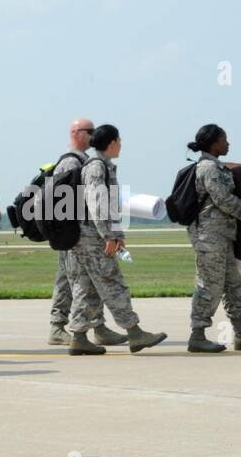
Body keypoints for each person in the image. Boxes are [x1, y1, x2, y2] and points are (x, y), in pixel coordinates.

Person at [65, 124, 167, 355]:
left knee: (87, 287)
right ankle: (135, 333)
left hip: (88, 237)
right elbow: (98, 203)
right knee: (112, 283)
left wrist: (117, 234)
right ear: (111, 143)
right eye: (119, 141)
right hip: (93, 238)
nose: (121, 145)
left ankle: (79, 337)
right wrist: (109, 235)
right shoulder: (97, 167)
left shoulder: (99, 166)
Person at [185, 124, 241, 353]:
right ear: (213, 143)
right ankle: (197, 335)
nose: (228, 143)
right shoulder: (208, 168)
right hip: (209, 237)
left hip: (223, 236)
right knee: (208, 286)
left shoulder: (218, 167)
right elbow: (223, 199)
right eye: (224, 140)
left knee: (234, 285)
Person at [47, 117, 123, 347]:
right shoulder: (70, 163)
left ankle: (97, 326)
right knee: (70, 280)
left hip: (83, 233)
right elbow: (66, 203)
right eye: (89, 131)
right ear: (76, 133)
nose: (93, 134)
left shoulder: (88, 161)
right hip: (74, 233)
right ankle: (57, 327)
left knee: (88, 281)